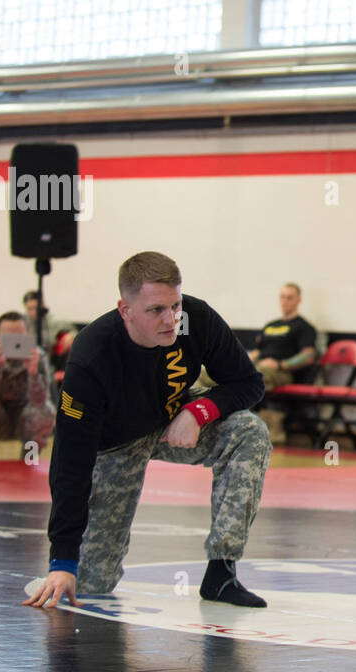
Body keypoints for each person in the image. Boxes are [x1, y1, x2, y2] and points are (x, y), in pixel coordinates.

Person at [22, 251, 271, 610]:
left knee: (248, 430)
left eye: (175, 305)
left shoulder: (196, 319)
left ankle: (222, 572)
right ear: (125, 310)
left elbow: (249, 382)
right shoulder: (93, 354)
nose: (171, 319)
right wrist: (62, 560)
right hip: (115, 445)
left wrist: (199, 412)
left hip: (173, 419)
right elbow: (69, 462)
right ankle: (75, 568)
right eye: (156, 310)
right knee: (92, 582)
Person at [0, 311, 55, 460]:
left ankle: (30, 459)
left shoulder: (38, 356)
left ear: (28, 334)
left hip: (25, 419)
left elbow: (40, 400)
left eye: (19, 336)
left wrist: (33, 373)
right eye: (7, 337)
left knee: (45, 410)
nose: (14, 342)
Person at [247, 282, 319, 443]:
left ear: (298, 300)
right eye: (282, 297)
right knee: (213, 373)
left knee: (252, 377)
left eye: (290, 298)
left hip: (281, 372)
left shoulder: (303, 327)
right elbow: (258, 351)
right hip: (258, 367)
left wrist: (280, 365)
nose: (285, 301)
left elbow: (308, 356)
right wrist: (246, 359)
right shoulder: (271, 326)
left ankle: (250, 424)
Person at [22, 291, 76, 371]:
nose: (33, 312)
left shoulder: (56, 322)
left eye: (35, 308)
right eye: (30, 309)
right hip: (29, 365)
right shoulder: (22, 324)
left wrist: (72, 335)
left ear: (42, 306)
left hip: (51, 366)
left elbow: (75, 334)